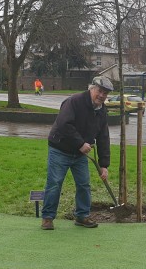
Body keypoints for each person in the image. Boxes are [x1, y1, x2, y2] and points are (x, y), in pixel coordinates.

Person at [40, 77, 112, 230]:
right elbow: (63, 124)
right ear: (92, 88)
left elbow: (103, 137)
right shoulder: (74, 101)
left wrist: (104, 165)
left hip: (80, 154)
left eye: (105, 93)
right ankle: (47, 217)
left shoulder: (102, 111)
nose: (101, 95)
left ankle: (82, 215)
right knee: (54, 183)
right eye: (99, 91)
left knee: (84, 184)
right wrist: (80, 143)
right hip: (60, 148)